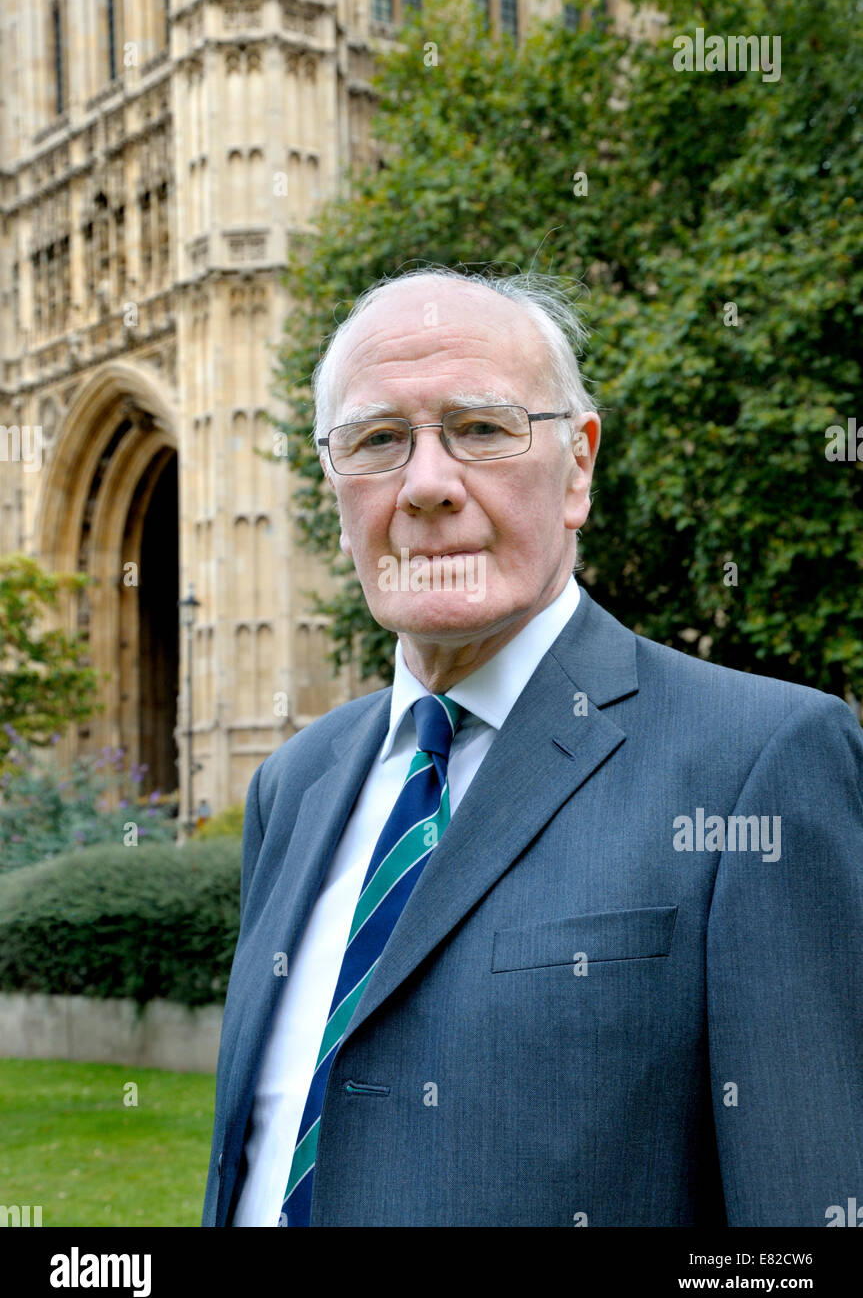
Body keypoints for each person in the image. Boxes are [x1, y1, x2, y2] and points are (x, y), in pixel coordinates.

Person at [202, 267, 863, 1227]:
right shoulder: (293, 786)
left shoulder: (760, 759)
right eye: (378, 440)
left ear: (578, 465)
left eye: (481, 429)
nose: (426, 485)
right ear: (333, 487)